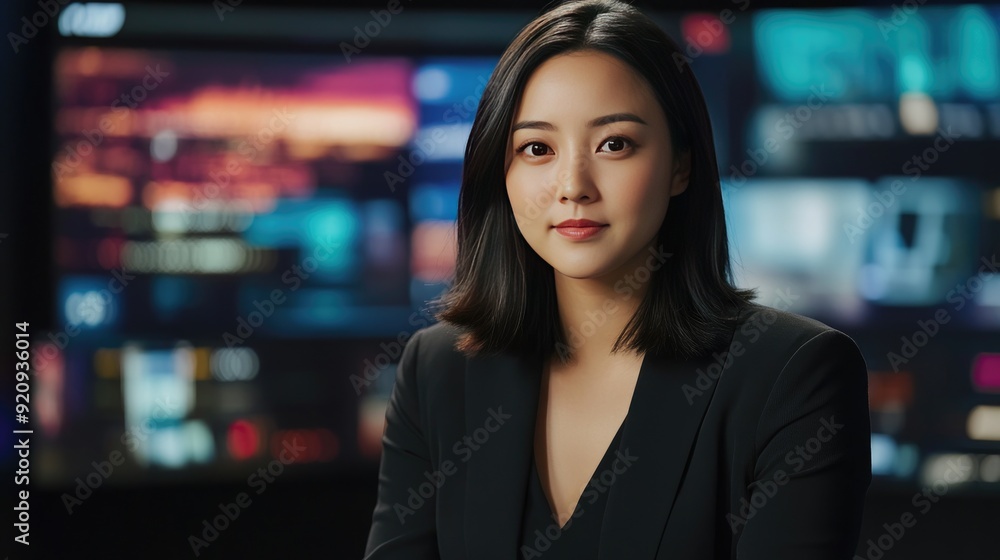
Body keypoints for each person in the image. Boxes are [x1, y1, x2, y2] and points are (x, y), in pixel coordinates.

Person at [364, 0, 871, 558]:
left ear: (681, 165)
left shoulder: (795, 376)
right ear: (499, 173)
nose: (573, 185)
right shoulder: (438, 371)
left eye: (615, 144)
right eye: (537, 148)